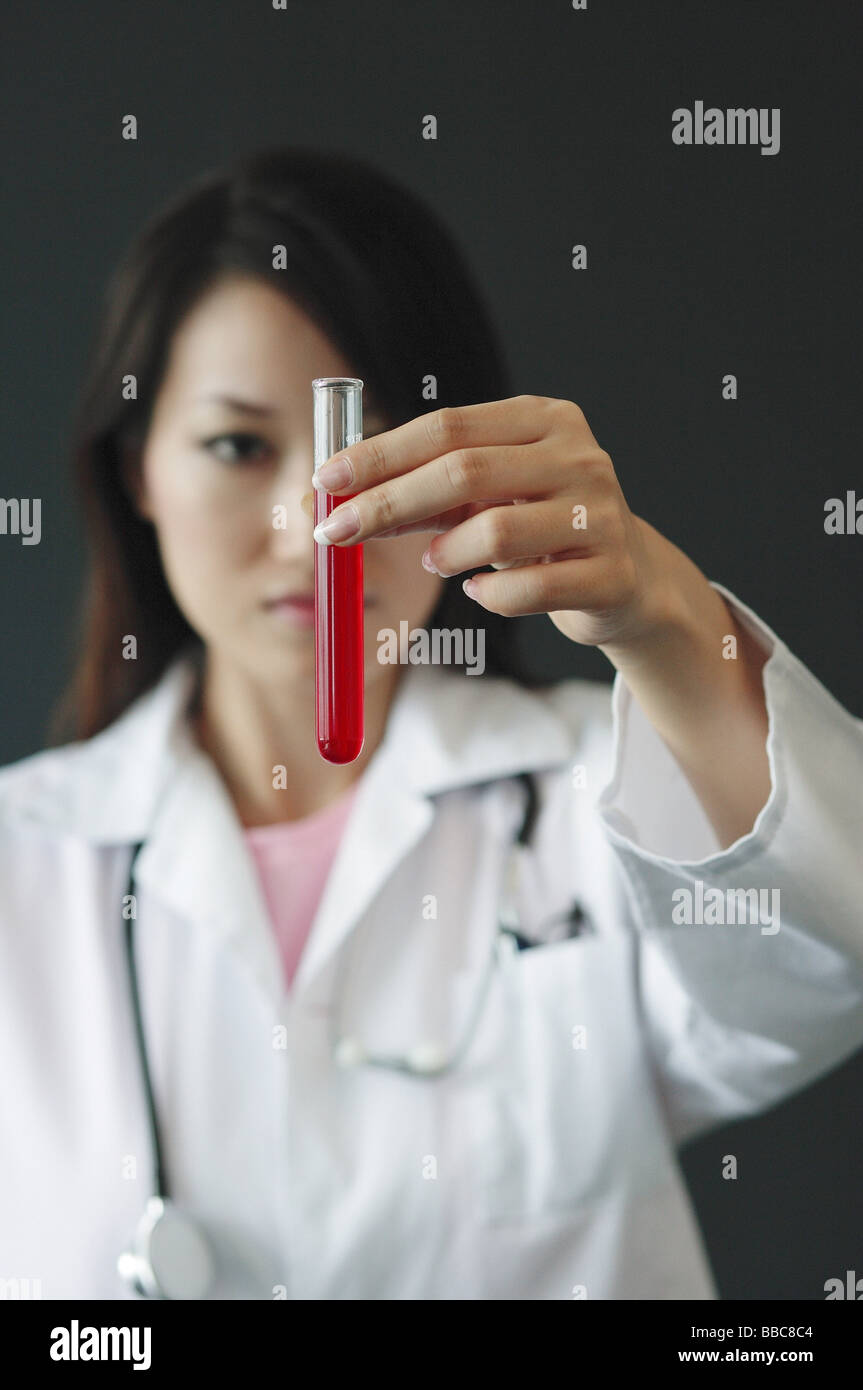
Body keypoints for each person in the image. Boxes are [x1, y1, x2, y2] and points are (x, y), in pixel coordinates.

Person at [0, 145, 861, 1302]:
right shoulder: (28, 862)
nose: (320, 527)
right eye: (237, 444)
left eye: (380, 452)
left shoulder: (591, 798)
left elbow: (828, 943)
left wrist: (662, 616)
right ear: (138, 470)